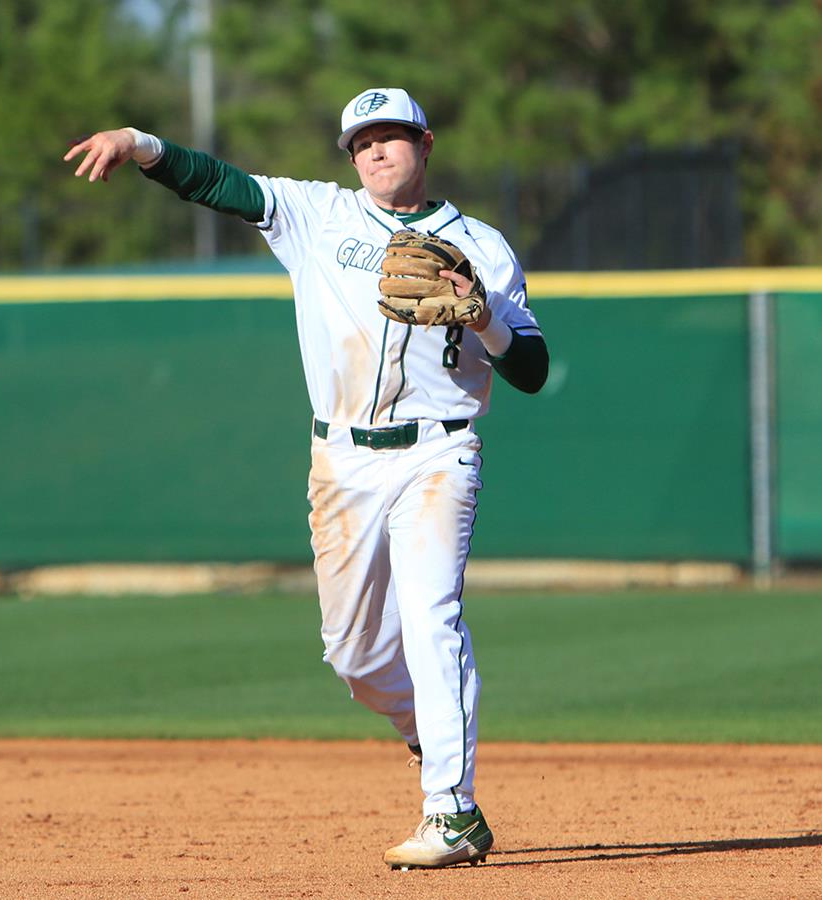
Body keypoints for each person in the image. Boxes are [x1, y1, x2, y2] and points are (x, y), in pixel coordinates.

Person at [64, 87, 548, 869]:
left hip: (438, 451)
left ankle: (452, 812)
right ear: (349, 157)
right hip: (342, 459)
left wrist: (481, 311)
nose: (376, 152)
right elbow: (219, 183)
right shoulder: (318, 215)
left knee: (431, 617)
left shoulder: (482, 247)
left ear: (426, 144)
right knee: (352, 654)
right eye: (362, 142)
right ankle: (429, 734)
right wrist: (139, 142)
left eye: (392, 137)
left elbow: (531, 366)